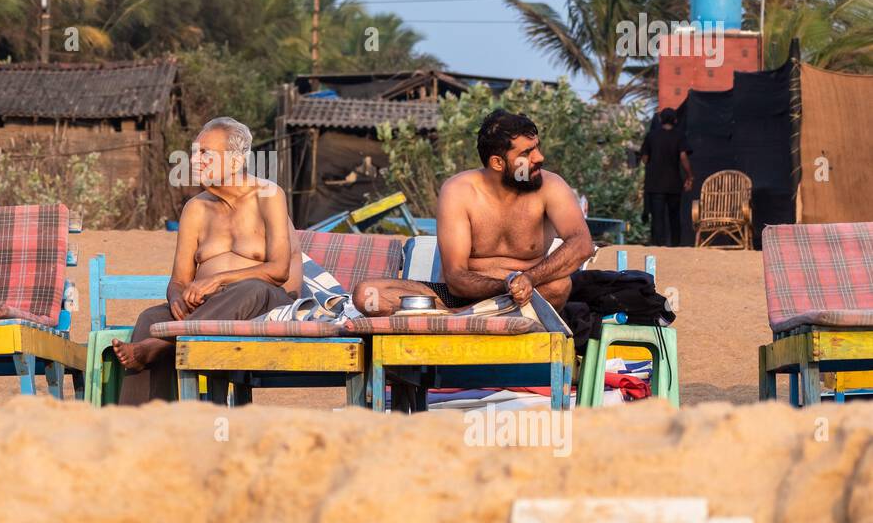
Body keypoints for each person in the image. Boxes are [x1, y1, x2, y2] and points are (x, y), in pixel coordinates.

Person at [111, 117, 302, 404]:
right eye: (193, 152)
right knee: (151, 318)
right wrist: (177, 298)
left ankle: (161, 345)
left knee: (251, 288)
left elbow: (278, 270)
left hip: (270, 304)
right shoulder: (195, 209)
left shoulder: (268, 195)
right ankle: (139, 430)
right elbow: (179, 279)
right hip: (211, 310)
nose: (194, 160)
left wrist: (217, 280)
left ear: (236, 163)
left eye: (205, 154)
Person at [352, 109, 593, 315]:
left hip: (530, 296)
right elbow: (456, 279)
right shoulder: (458, 191)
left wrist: (528, 279)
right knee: (367, 294)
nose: (539, 158)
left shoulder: (550, 185)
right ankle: (469, 315)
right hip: (463, 297)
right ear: (498, 163)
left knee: (559, 286)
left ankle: (459, 318)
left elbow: (582, 244)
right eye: (526, 154)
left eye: (537, 148)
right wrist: (508, 285)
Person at [639, 108, 693, 247]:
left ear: (660, 119)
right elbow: (683, 157)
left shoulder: (651, 136)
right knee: (674, 216)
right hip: (673, 183)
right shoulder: (679, 136)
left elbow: (644, 158)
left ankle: (659, 244)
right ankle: (675, 243)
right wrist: (690, 176)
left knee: (658, 216)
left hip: (655, 183)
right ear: (675, 120)